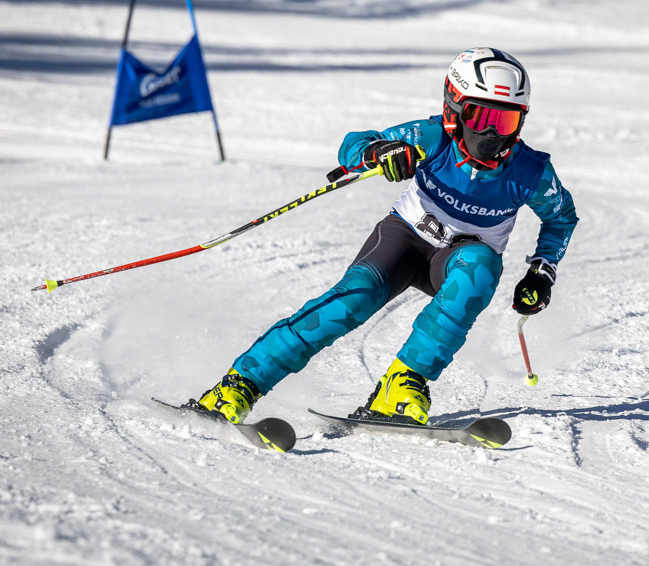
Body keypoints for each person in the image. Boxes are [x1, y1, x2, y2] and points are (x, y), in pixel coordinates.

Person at [193, 47, 578, 426]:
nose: (493, 133)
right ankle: (240, 384)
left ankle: (402, 382)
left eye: (507, 121)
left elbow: (561, 218)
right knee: (351, 302)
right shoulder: (431, 137)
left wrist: (542, 271)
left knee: (479, 269)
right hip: (405, 240)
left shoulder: (530, 172)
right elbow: (354, 144)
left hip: (460, 260)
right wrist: (380, 151)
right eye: (482, 116)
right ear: (455, 109)